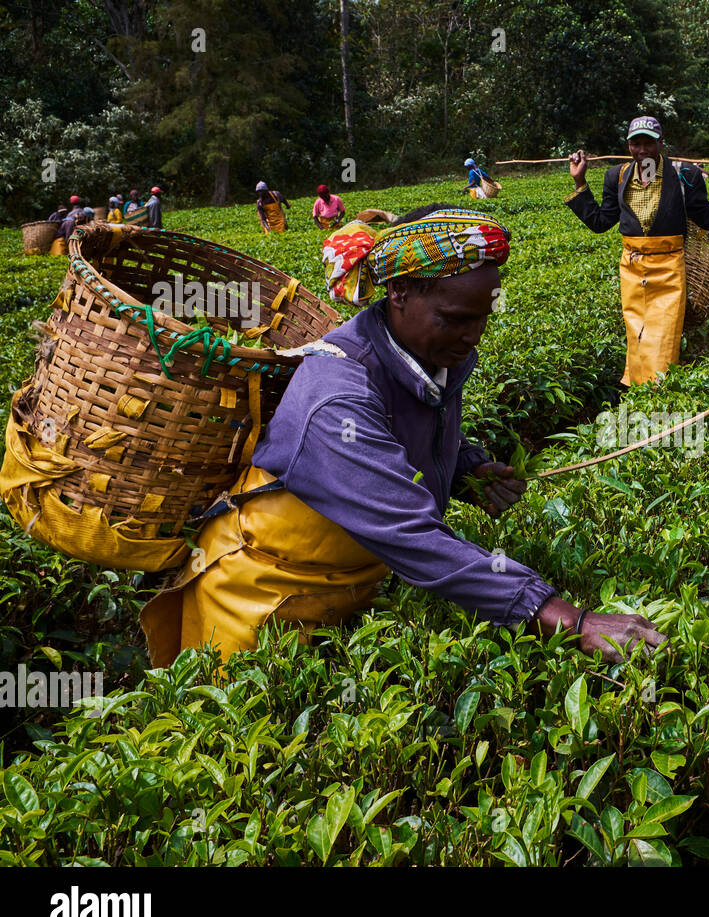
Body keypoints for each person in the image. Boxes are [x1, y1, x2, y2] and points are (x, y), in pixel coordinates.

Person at [139, 205, 667, 669]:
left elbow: (414, 428)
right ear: (399, 292)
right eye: (455, 318)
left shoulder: (435, 354)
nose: (472, 335)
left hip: (354, 585)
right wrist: (567, 619)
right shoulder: (336, 394)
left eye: (482, 318)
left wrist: (467, 469)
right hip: (259, 605)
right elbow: (407, 532)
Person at [565, 116, 709, 385]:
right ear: (628, 145)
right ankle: (636, 393)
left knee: (664, 340)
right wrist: (580, 182)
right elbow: (600, 222)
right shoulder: (616, 176)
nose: (642, 150)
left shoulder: (685, 174)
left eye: (649, 143)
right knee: (637, 337)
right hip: (631, 268)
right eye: (636, 143)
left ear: (661, 144)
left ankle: (660, 394)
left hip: (669, 268)